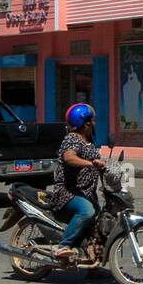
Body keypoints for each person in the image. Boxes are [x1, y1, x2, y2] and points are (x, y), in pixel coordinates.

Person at [46, 103, 106, 260]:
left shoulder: (89, 142)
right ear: (86, 122)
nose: (94, 123)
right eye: (92, 120)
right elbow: (69, 157)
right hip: (68, 192)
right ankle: (64, 246)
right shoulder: (72, 138)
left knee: (100, 224)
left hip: (86, 194)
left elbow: (98, 162)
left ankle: (93, 265)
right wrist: (91, 163)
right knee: (87, 212)